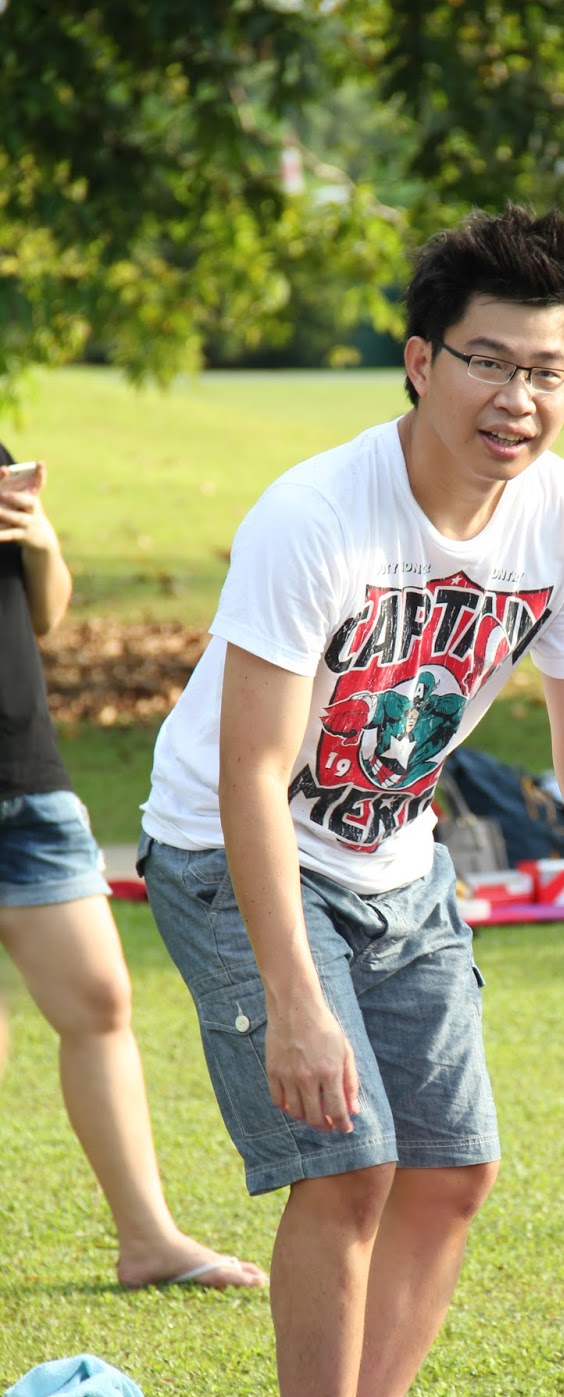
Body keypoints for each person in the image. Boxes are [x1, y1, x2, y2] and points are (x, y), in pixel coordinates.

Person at [138, 204, 564, 1397]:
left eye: (548, 371)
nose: (520, 399)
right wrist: (295, 1005)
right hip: (230, 849)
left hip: (398, 859)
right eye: (490, 362)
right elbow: (251, 772)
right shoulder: (319, 512)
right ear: (420, 362)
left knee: (450, 1172)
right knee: (348, 1163)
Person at [0, 448, 267, 1292]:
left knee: (100, 999)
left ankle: (147, 1239)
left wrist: (39, 539)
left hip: (26, 784)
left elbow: (44, 614)